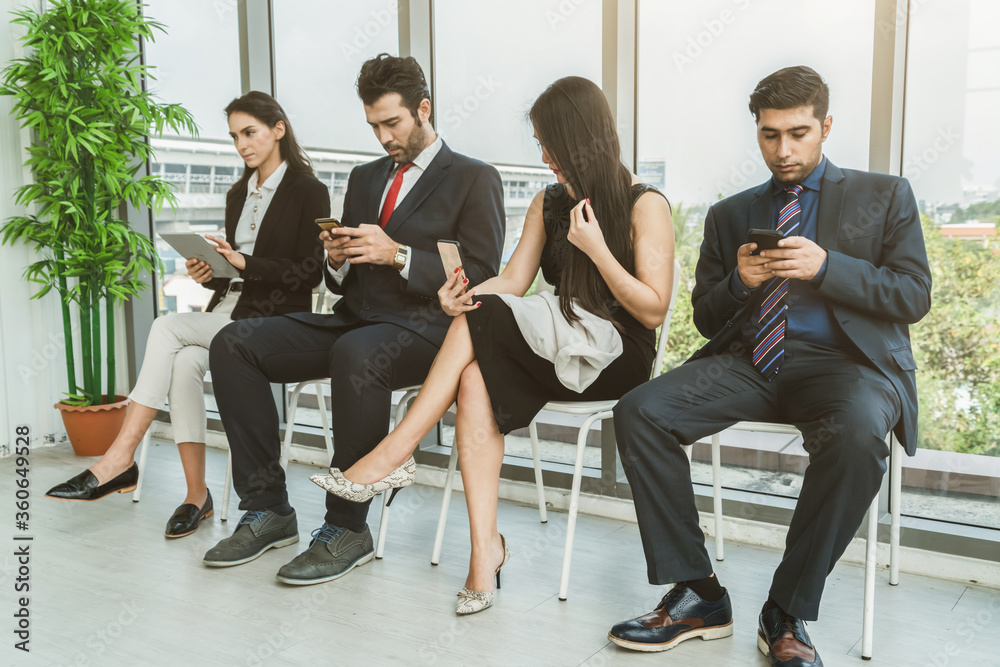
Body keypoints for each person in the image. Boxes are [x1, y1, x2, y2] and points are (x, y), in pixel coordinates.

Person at [311, 75, 675, 615]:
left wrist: (597, 249)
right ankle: (486, 552)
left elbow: (653, 308)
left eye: (550, 142)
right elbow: (511, 282)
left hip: (618, 355)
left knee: (483, 332)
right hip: (559, 342)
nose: (545, 155)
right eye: (539, 143)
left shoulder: (645, 204)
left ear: (580, 137)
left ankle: (393, 452)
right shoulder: (547, 203)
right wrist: (461, 292)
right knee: (476, 370)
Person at [606, 66, 931, 667]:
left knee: (860, 433)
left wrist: (827, 267)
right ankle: (700, 595)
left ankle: (787, 608)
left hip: (846, 367)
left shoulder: (884, 195)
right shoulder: (730, 214)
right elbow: (706, 315)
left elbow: (912, 295)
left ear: (826, 126)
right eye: (769, 135)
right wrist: (739, 282)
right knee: (640, 411)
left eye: (799, 134)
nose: (783, 150)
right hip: (751, 365)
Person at [202, 54, 506, 584]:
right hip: (355, 320)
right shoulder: (365, 178)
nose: (384, 136)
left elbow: (480, 276)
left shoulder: (474, 178)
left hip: (428, 333)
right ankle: (268, 507)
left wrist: (402, 255)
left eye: (393, 123)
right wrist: (337, 261)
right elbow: (341, 277)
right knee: (234, 343)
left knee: (357, 353)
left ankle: (348, 528)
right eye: (374, 126)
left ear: (423, 109)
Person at [45, 92, 329, 540]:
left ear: (278, 129)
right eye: (235, 136)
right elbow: (231, 278)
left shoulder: (308, 190)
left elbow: (310, 274)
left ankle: (120, 458)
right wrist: (211, 273)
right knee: (181, 363)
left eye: (249, 132)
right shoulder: (240, 194)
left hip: (271, 324)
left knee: (166, 326)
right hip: (228, 311)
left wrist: (243, 264)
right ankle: (197, 494)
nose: (241, 144)